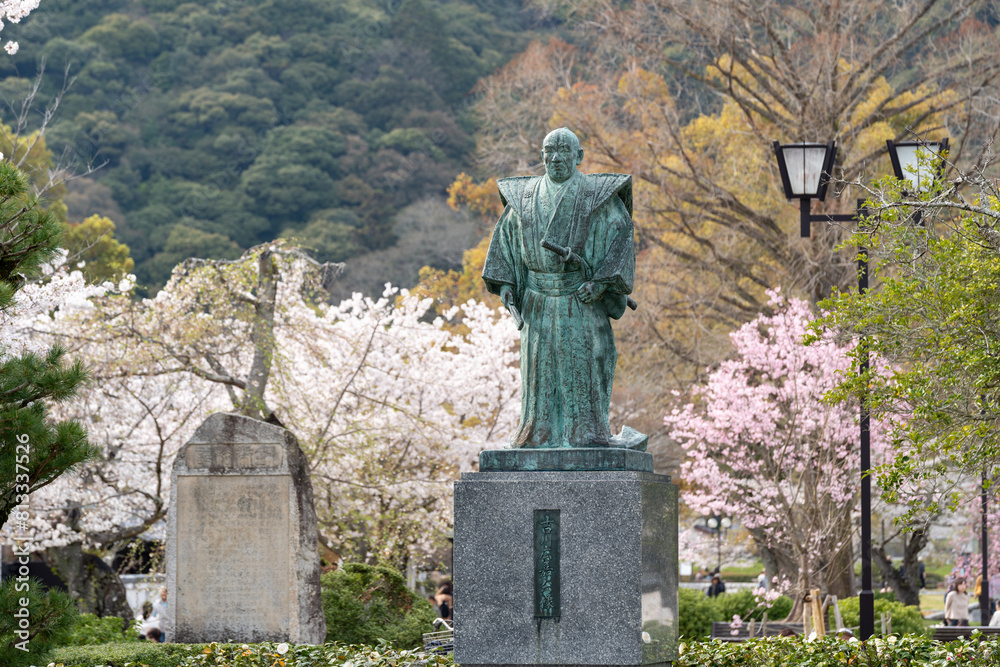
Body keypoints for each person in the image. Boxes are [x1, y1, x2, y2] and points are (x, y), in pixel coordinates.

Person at [482, 127, 639, 449]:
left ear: (578, 156)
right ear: (541, 156)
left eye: (564, 150)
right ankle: (536, 435)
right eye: (549, 151)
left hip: (581, 300)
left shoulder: (598, 195)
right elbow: (507, 241)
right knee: (539, 373)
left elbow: (620, 238)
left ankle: (587, 435)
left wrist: (601, 283)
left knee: (584, 368)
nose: (555, 157)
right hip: (536, 302)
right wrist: (507, 284)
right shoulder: (524, 197)